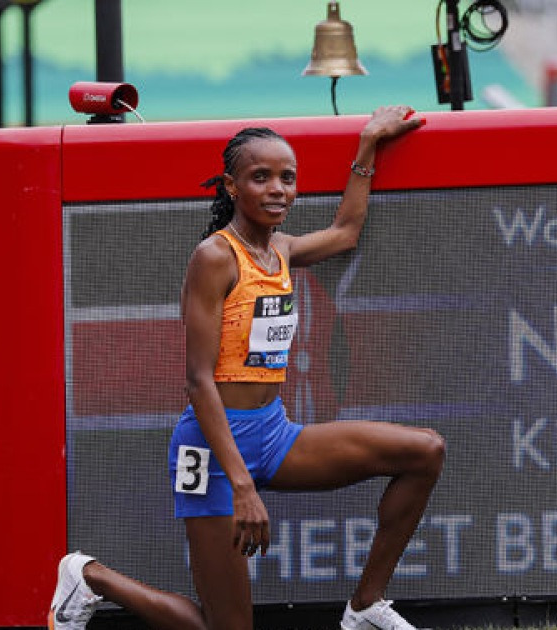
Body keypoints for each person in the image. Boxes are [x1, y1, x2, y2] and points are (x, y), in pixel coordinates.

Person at [47, 105, 441, 630]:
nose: (278, 189)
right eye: (261, 177)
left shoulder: (280, 249)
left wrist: (368, 142)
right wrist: (242, 485)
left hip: (272, 434)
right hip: (211, 452)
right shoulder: (215, 257)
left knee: (423, 452)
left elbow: (346, 231)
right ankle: (89, 575)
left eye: (288, 178)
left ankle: (365, 607)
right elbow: (197, 379)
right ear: (232, 186)